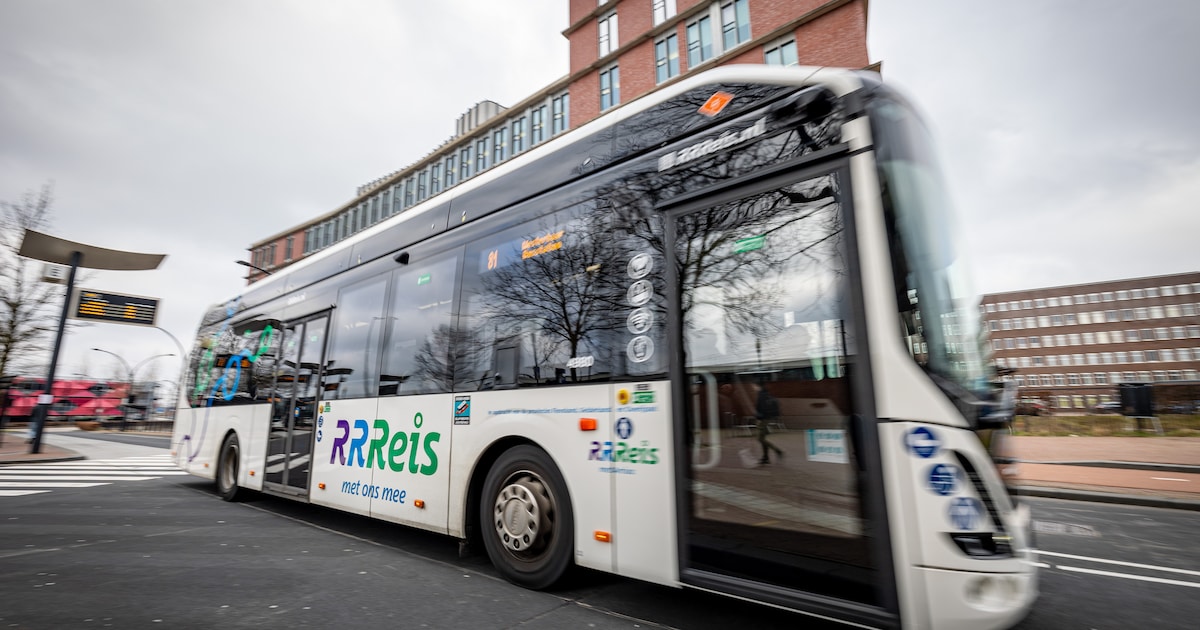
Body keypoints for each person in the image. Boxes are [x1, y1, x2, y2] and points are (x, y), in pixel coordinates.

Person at [752, 381, 784, 465]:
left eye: (753, 385)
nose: (753, 387)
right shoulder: (766, 393)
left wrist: (759, 417)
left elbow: (761, 408)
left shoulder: (761, 395)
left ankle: (777, 451)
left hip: (763, 419)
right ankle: (765, 457)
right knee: (763, 438)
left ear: (757, 386)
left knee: (760, 438)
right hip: (767, 418)